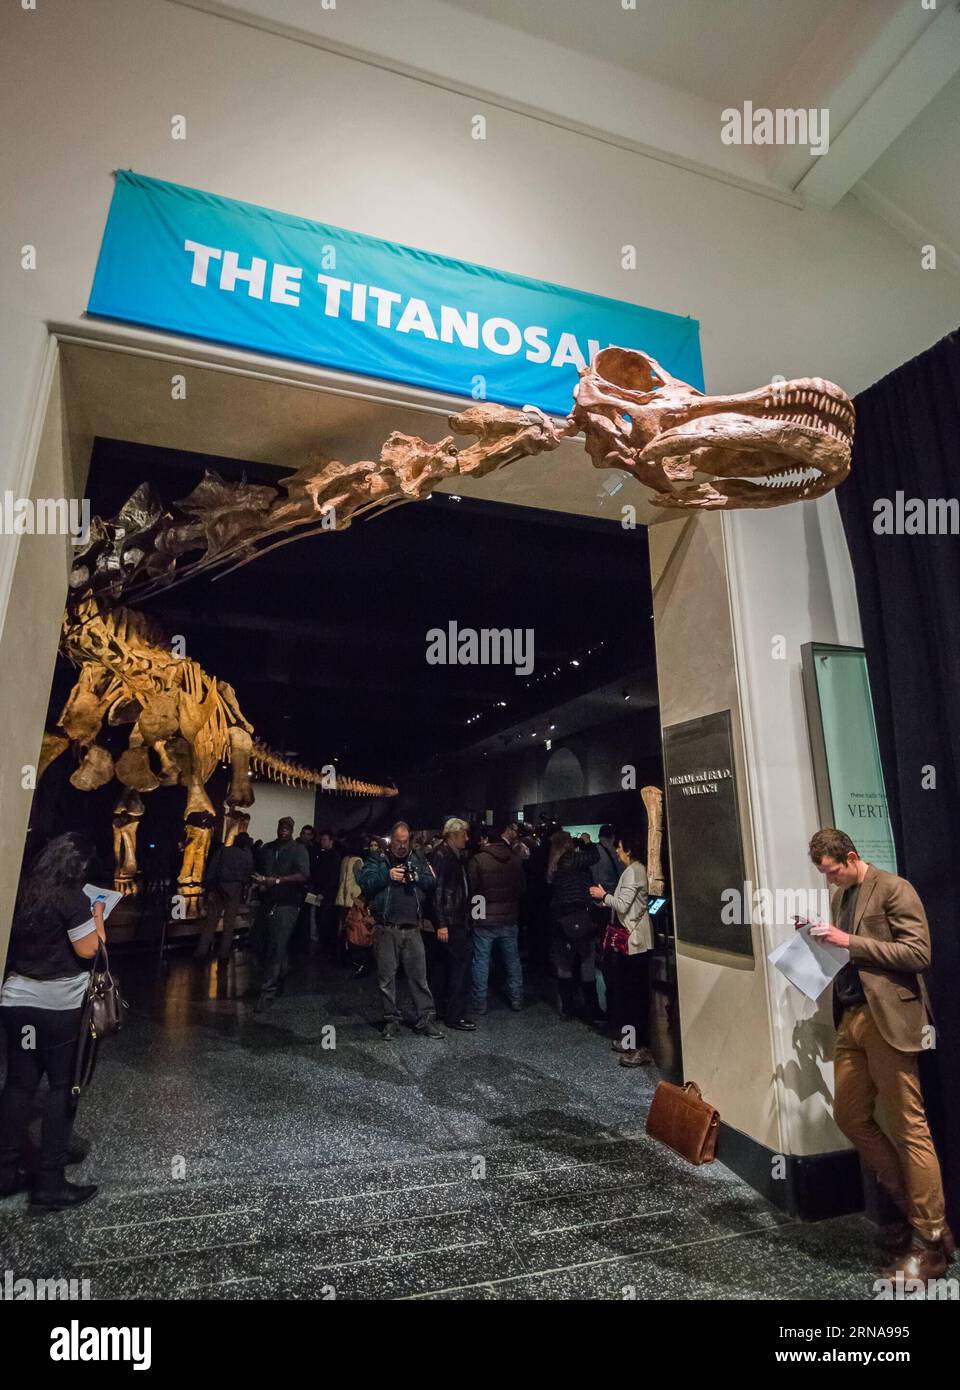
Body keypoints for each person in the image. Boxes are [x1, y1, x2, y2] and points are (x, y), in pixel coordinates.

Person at [808, 828, 953, 1279]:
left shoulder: (893, 888)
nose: (830, 881)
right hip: (851, 1018)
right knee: (850, 1115)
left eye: (832, 871)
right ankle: (914, 1213)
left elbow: (918, 953)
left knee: (911, 1126)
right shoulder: (842, 897)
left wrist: (847, 942)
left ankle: (929, 1240)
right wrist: (818, 943)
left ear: (851, 857)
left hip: (889, 1020)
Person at [0, 833, 103, 1212]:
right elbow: (90, 950)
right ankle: (49, 1185)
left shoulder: (23, 891)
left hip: (16, 1002)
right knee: (62, 1087)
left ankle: (5, 1173)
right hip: (57, 1009)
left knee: (19, 1084)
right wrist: (96, 916)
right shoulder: (71, 897)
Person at [357, 822, 443, 1040]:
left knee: (419, 977)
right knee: (386, 979)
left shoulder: (418, 858)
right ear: (391, 840)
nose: (402, 846)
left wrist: (416, 878)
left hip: (413, 928)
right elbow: (365, 883)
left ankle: (425, 1019)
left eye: (406, 842)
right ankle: (391, 1019)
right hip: (387, 928)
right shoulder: (378, 859)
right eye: (398, 841)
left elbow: (432, 882)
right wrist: (388, 876)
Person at [590, 828, 653, 1066]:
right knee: (630, 992)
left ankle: (640, 1046)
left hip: (634, 943)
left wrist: (603, 895)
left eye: (619, 847)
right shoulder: (635, 870)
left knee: (634, 995)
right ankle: (631, 1041)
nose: (617, 851)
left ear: (628, 849)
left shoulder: (633, 872)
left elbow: (623, 905)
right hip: (633, 941)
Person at [250, 817, 310, 1013]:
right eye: (281, 827)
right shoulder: (268, 848)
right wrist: (259, 881)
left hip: (287, 904)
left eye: (287, 828)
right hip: (267, 902)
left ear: (292, 830)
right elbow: (259, 870)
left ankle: (267, 991)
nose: (284, 830)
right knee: (260, 943)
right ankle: (281, 973)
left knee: (277, 945)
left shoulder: (298, 850)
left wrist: (276, 881)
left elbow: (303, 875)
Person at [468, 824, 525, 1014]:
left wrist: (476, 916)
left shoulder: (478, 860)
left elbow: (474, 892)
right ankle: (517, 999)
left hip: (484, 919)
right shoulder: (516, 860)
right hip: (509, 918)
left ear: (485, 839)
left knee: (481, 961)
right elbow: (521, 889)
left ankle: (479, 1004)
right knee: (513, 961)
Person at [428, 818, 476, 1031]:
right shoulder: (445, 857)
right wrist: (442, 923)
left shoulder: (446, 855)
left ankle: (440, 1008)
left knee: (442, 967)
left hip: (449, 920)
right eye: (463, 833)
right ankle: (455, 1015)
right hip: (451, 920)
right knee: (460, 966)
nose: (467, 838)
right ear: (453, 835)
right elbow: (437, 892)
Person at [547, 830, 601, 1021]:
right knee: (587, 961)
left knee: (564, 964)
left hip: (560, 920)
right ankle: (592, 1008)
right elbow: (594, 856)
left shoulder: (554, 864)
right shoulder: (570, 859)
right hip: (579, 916)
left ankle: (568, 1007)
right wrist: (587, 842)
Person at [195, 831, 254, 962]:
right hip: (235, 889)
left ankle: (201, 951)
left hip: (218, 888)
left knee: (211, 922)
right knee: (229, 924)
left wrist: (210, 887)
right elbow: (248, 873)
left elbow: (212, 869)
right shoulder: (246, 855)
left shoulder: (223, 851)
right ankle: (223, 954)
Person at [336, 834, 369, 975]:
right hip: (352, 900)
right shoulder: (357, 861)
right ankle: (356, 960)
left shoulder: (345, 859)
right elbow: (361, 880)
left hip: (341, 899)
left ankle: (342, 957)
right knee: (354, 932)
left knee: (342, 930)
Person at [313, 828, 343, 960]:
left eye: (325, 840)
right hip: (323, 893)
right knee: (321, 920)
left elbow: (332, 877)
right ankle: (325, 948)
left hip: (328, 895)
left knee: (326, 921)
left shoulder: (333, 856)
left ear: (331, 841)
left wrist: (323, 892)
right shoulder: (324, 855)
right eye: (321, 840)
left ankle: (327, 949)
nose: (322, 842)